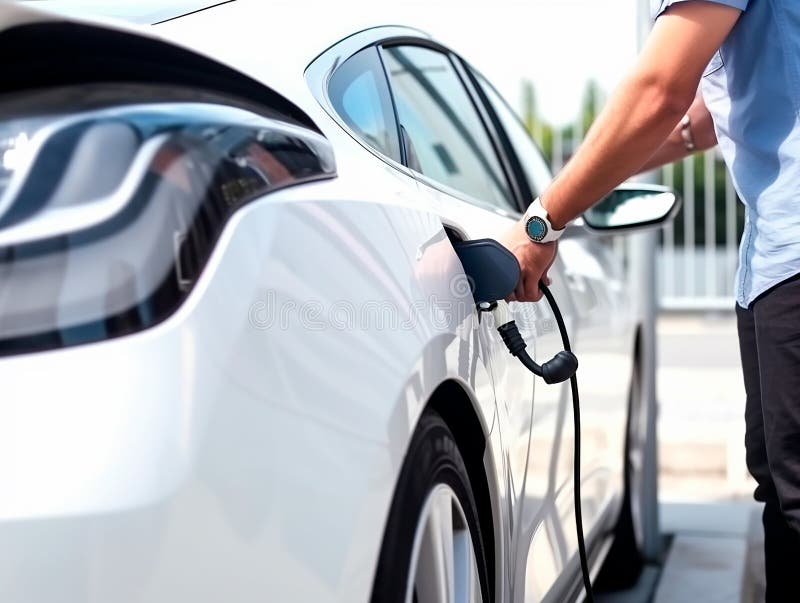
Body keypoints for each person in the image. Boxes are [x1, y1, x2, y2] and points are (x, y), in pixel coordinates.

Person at [500, 0, 800, 599]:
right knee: (780, 486)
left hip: (792, 253)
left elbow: (660, 88)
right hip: (775, 257)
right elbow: (705, 117)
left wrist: (542, 222)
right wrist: (577, 184)